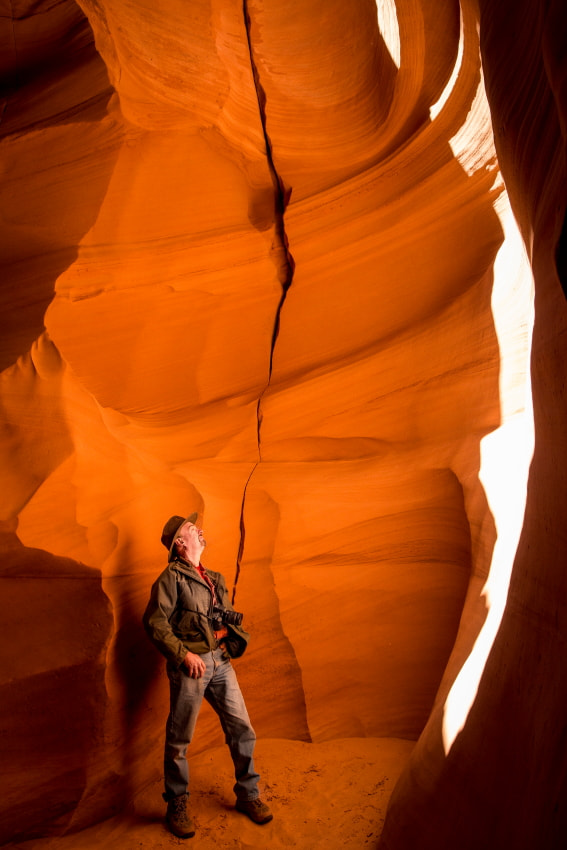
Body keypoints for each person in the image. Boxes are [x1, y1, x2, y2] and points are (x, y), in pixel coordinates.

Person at [143, 512, 273, 839]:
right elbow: (155, 622)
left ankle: (248, 794)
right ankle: (177, 802)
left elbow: (222, 617)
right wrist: (182, 654)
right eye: (191, 529)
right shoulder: (171, 578)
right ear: (180, 543)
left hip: (220, 661)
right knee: (179, 738)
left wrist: (230, 636)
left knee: (241, 727)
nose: (199, 530)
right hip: (192, 666)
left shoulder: (213, 578)